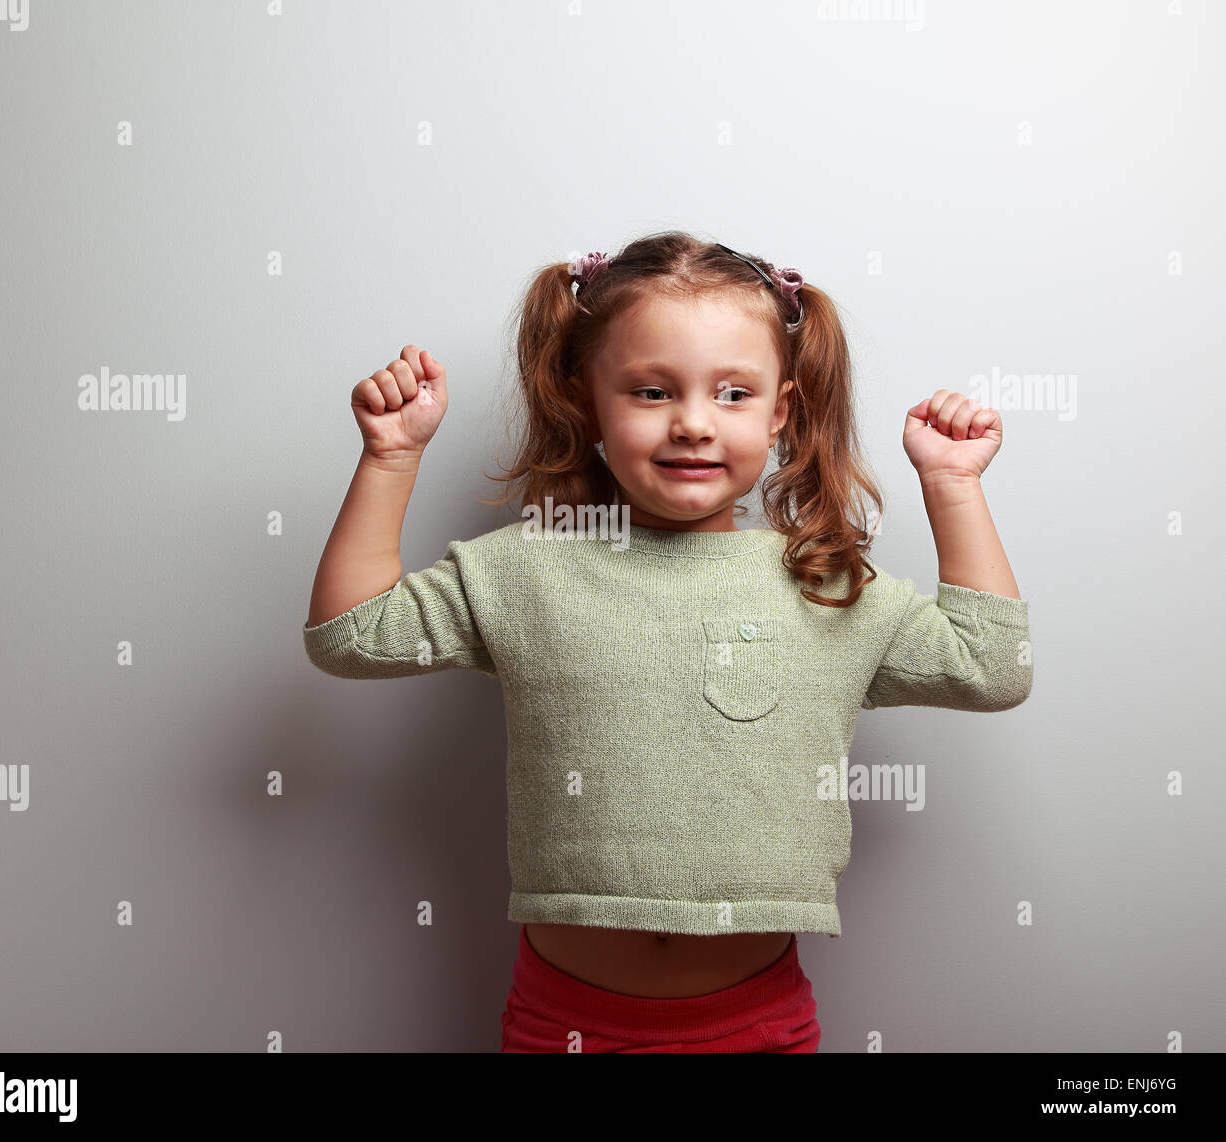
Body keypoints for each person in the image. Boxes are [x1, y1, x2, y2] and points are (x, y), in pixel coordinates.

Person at [303, 231, 1033, 1052]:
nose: (692, 423)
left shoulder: (826, 584)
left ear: (780, 412)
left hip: (759, 1023)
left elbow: (991, 666)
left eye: (732, 394)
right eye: (651, 392)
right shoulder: (525, 569)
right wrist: (390, 458)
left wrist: (953, 487)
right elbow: (350, 636)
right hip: (565, 1024)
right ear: (587, 402)